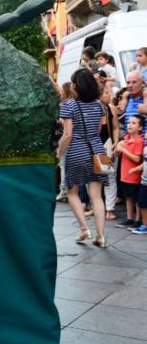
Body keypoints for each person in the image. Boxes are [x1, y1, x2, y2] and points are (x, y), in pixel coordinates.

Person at [57, 69, 108, 247]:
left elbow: (68, 134)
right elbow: (99, 131)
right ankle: (101, 235)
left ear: (76, 86)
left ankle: (84, 228)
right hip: (99, 151)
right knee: (97, 196)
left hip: (77, 149)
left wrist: (58, 153)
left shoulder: (68, 105)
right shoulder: (99, 105)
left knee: (72, 192)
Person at [113, 115, 145, 229]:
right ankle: (130, 218)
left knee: (136, 198)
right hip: (124, 175)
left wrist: (123, 149)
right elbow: (117, 155)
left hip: (134, 176)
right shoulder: (125, 138)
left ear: (140, 128)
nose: (130, 125)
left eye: (134, 123)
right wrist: (118, 148)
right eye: (129, 122)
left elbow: (137, 159)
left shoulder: (139, 141)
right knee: (128, 197)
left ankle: (138, 219)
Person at [98, 86, 119, 221]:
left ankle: (109, 209)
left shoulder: (111, 108)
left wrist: (116, 142)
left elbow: (116, 127)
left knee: (109, 177)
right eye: (106, 93)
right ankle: (98, 207)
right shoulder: (93, 108)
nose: (109, 94)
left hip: (107, 146)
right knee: (96, 179)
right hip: (96, 147)